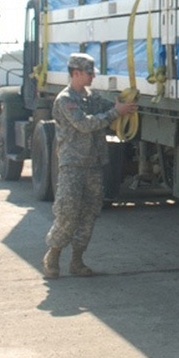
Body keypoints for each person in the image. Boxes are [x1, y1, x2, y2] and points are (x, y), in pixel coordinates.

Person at [43, 53, 138, 279]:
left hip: (93, 164)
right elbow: (84, 124)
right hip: (73, 165)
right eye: (89, 73)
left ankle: (77, 261)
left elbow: (110, 106)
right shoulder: (65, 99)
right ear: (76, 73)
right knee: (67, 212)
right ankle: (53, 255)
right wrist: (116, 112)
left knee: (89, 213)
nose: (93, 76)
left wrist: (124, 103)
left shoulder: (91, 97)